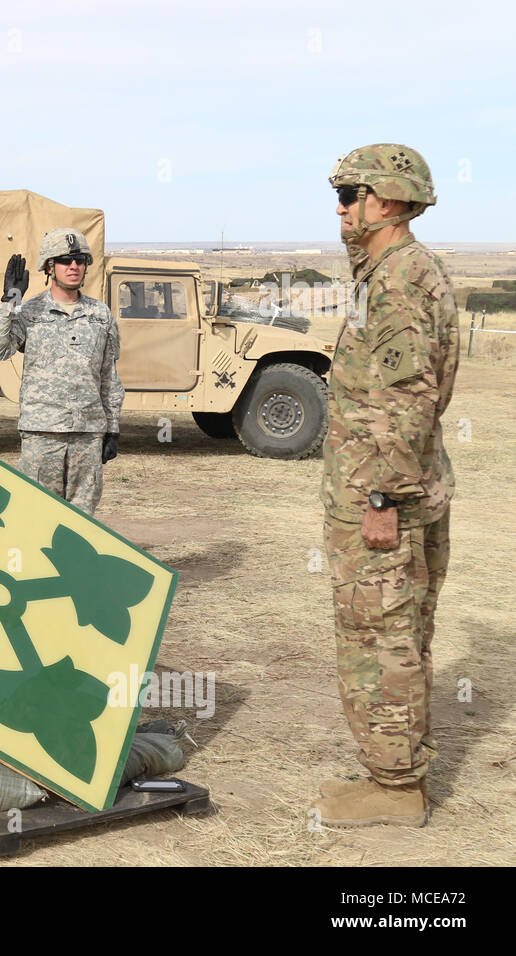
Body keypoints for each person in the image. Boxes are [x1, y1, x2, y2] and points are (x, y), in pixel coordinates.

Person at [311, 144, 457, 828]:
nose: (339, 207)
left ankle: (395, 788)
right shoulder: (395, 273)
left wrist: (379, 500)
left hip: (383, 500)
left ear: (389, 202)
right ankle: (394, 776)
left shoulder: (398, 280)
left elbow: (405, 401)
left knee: (381, 639)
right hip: (399, 491)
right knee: (397, 634)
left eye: (350, 193)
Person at [0, 228, 123, 516]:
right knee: (37, 514)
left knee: (82, 517)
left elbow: (109, 376)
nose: (74, 266)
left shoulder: (100, 314)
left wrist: (112, 428)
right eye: (65, 260)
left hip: (87, 433)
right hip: (42, 435)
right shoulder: (29, 312)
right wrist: (10, 301)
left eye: (80, 260)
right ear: (49, 266)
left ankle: (75, 562)